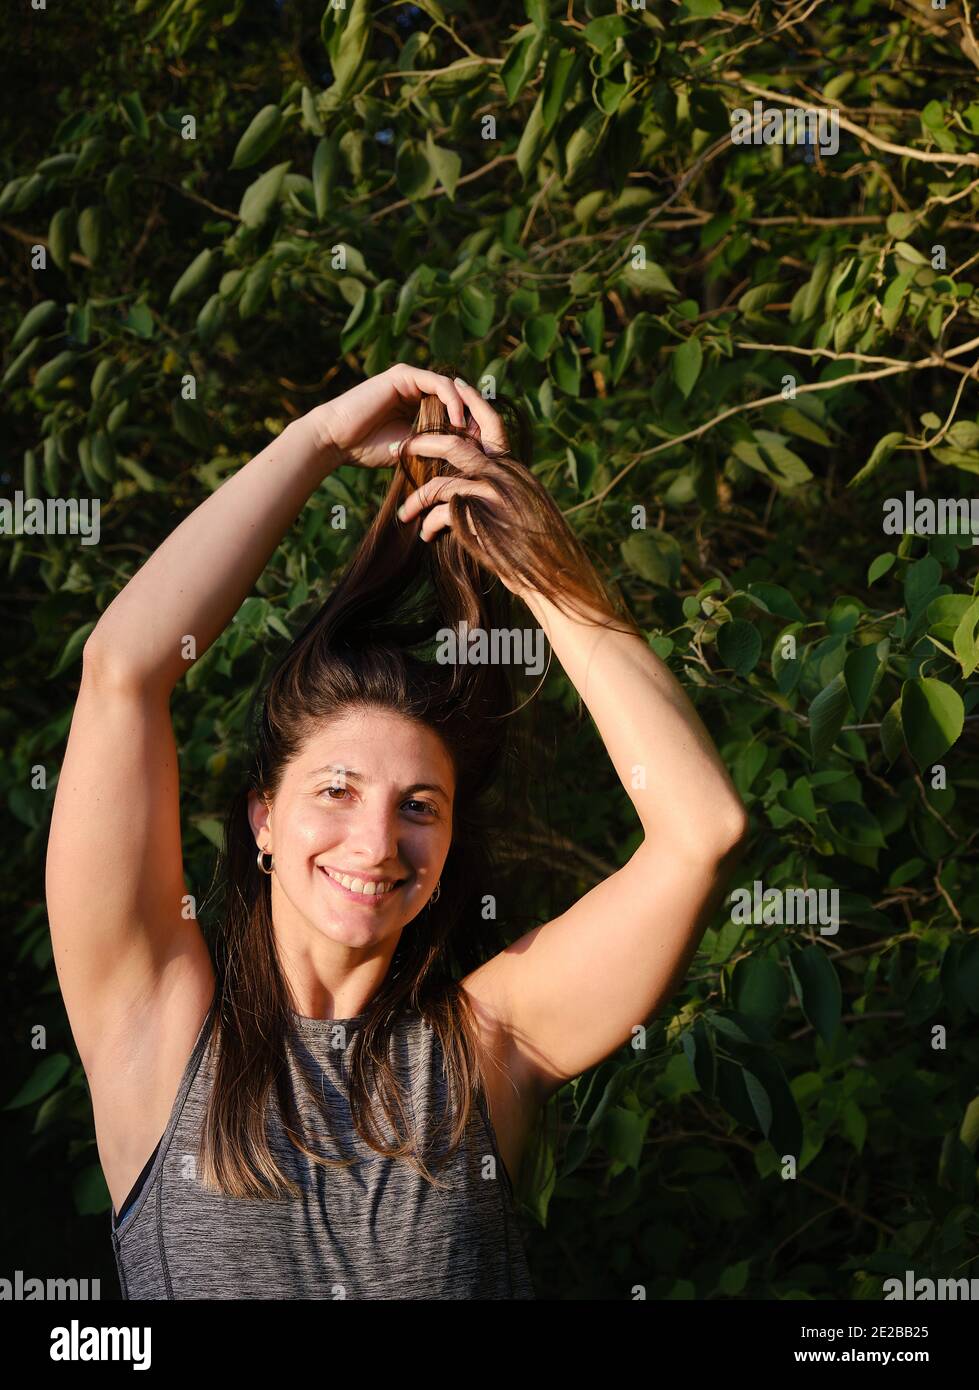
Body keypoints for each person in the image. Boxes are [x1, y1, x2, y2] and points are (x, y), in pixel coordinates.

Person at [45, 363, 748, 1300]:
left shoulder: (490, 1046)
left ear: (451, 841)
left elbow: (702, 829)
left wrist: (535, 564)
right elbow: (123, 669)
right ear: (263, 815)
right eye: (335, 790)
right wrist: (317, 441)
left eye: (420, 806)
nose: (376, 841)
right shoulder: (155, 1026)